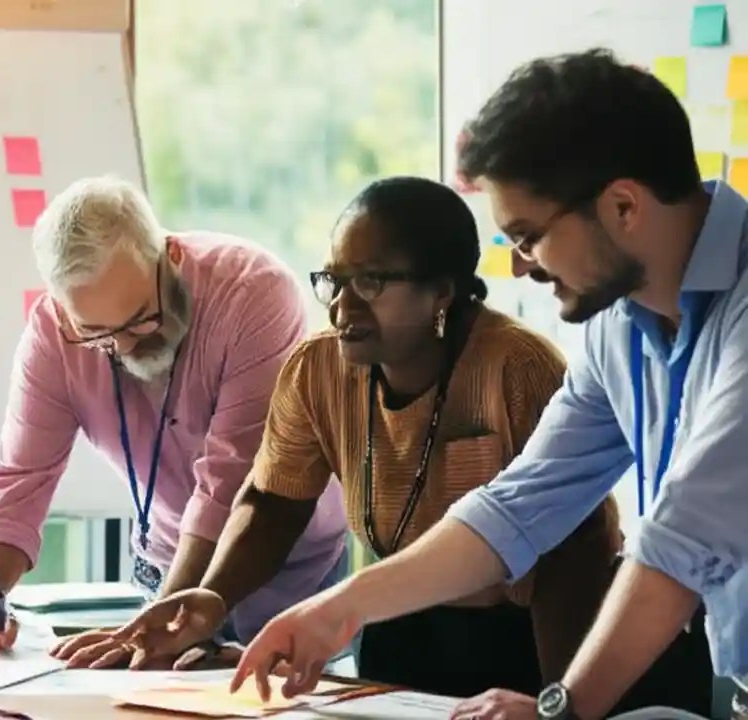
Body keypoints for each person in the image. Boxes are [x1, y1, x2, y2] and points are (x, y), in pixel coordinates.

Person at [229, 49, 732, 720]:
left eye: (527, 237)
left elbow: (680, 540)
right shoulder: (621, 325)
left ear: (622, 207)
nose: (521, 269)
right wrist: (336, 610)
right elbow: (516, 508)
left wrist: (563, 709)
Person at [111, 176, 632, 699]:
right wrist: (213, 597)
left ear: (441, 292)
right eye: (334, 281)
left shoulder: (517, 367)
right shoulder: (317, 368)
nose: (342, 308)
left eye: (372, 283)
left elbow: (576, 551)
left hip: (540, 634)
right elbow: (273, 501)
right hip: (399, 617)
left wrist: (560, 700)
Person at [0, 176, 349, 663]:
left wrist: (168, 622)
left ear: (171, 257)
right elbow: (18, 480)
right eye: (97, 334)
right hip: (168, 565)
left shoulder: (254, 292)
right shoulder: (53, 332)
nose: (124, 346)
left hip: (288, 570)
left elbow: (230, 478)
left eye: (139, 319)